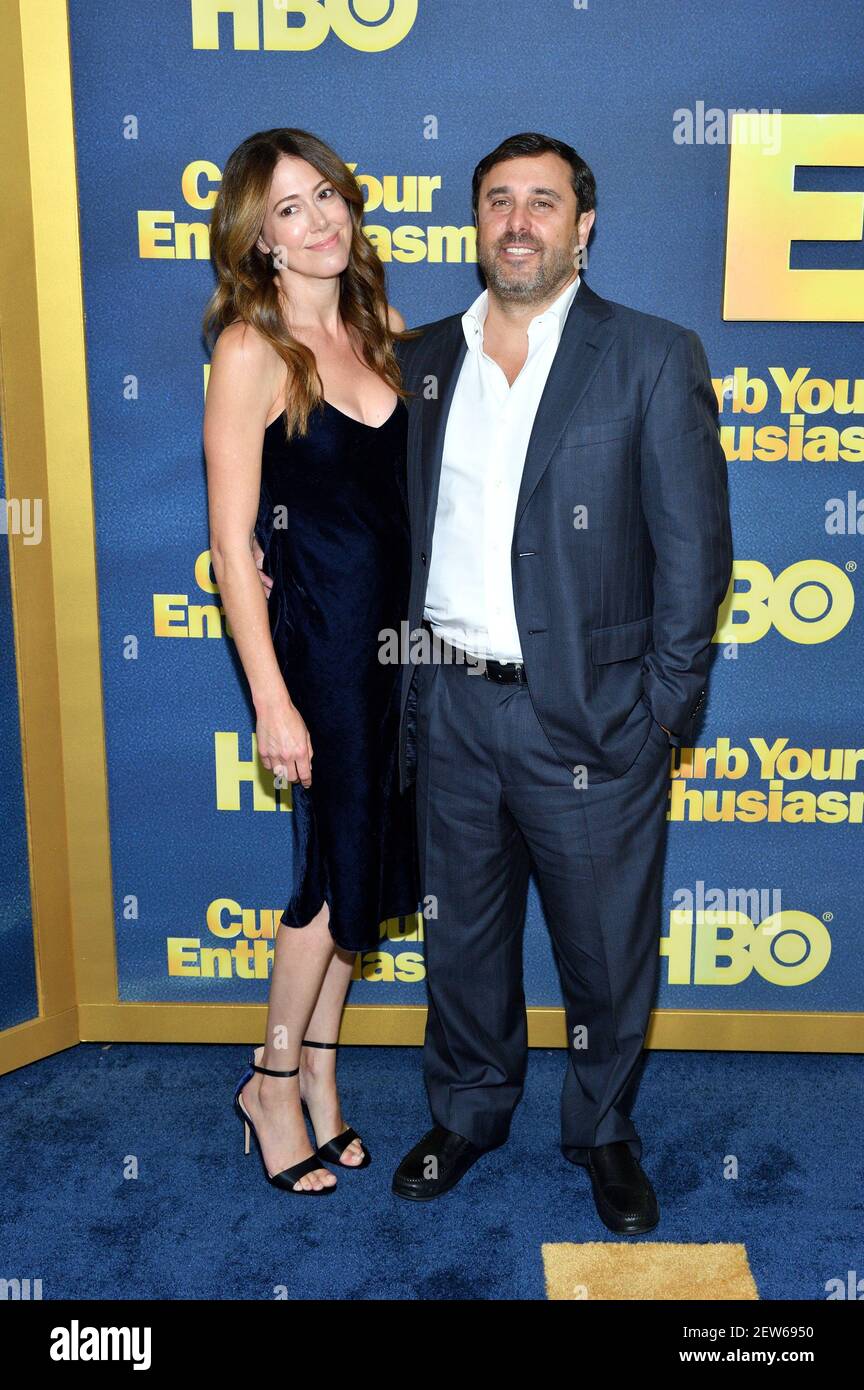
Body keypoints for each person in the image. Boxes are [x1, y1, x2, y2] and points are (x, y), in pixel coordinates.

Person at [390, 131, 733, 1232]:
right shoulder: (421, 360)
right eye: (499, 201)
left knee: (603, 945)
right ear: (475, 223)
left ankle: (602, 1128)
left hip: (594, 713)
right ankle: (471, 1111)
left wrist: (662, 711)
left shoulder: (649, 354)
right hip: (448, 703)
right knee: (464, 938)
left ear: (583, 226)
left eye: (544, 202)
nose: (519, 222)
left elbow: (696, 555)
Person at [203, 128, 420, 1195]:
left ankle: (324, 1080)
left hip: (406, 653)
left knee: (368, 879)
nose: (320, 218)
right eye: (290, 208)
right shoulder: (252, 352)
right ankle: (271, 1078)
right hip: (322, 655)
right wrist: (272, 702)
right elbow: (233, 551)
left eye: (327, 194)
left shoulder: (383, 328)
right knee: (327, 891)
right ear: (260, 241)